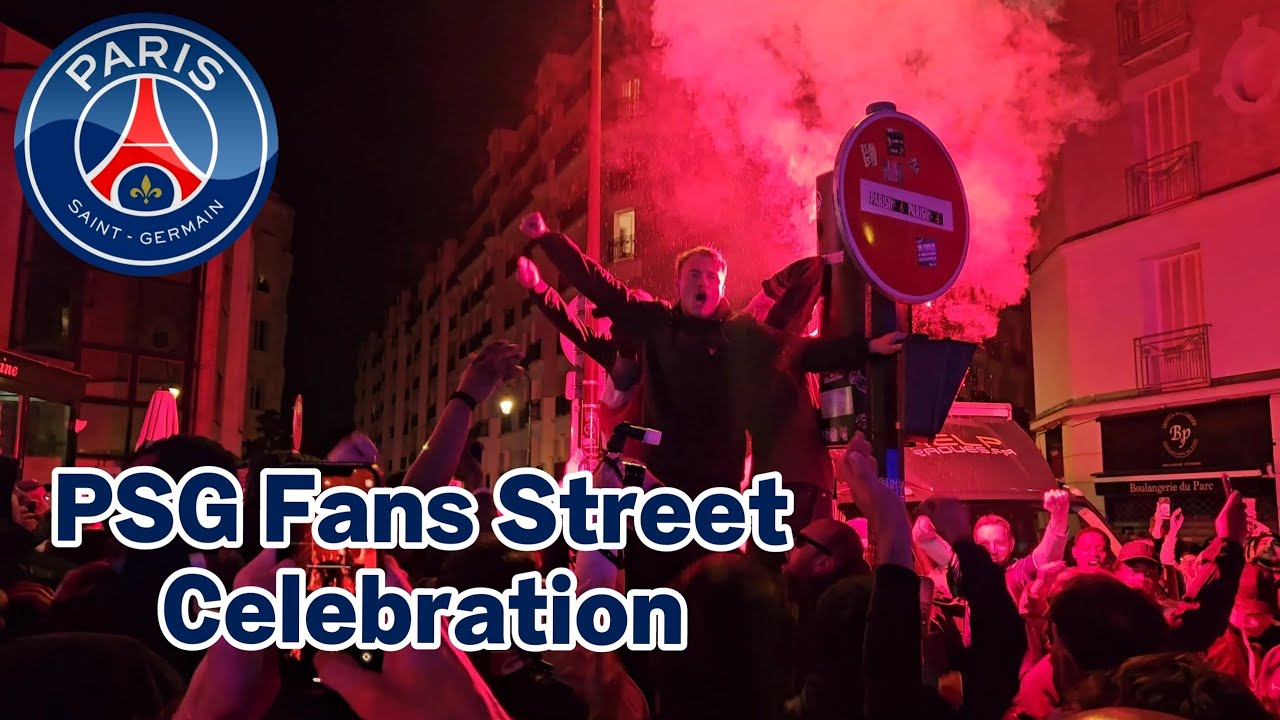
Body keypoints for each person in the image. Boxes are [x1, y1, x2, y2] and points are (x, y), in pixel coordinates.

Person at [520, 213, 901, 584]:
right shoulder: (654, 324)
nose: (703, 282)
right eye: (693, 274)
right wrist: (547, 241)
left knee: (710, 595)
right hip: (659, 486)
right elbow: (599, 286)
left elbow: (800, 350)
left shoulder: (740, 334)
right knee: (653, 590)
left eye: (712, 276)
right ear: (678, 283)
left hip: (716, 495)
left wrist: (865, 347)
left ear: (721, 286)